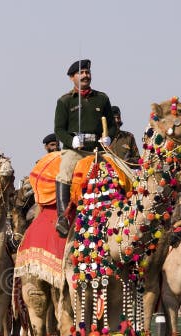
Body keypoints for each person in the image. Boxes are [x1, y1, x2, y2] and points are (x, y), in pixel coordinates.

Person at [53, 59, 117, 236]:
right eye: (81, 73)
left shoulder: (102, 98)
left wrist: (109, 136)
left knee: (118, 172)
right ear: (72, 77)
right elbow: (58, 129)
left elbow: (112, 125)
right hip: (75, 150)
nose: (85, 75)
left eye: (87, 72)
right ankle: (63, 218)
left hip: (98, 149)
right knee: (65, 170)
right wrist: (70, 140)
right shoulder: (65, 101)